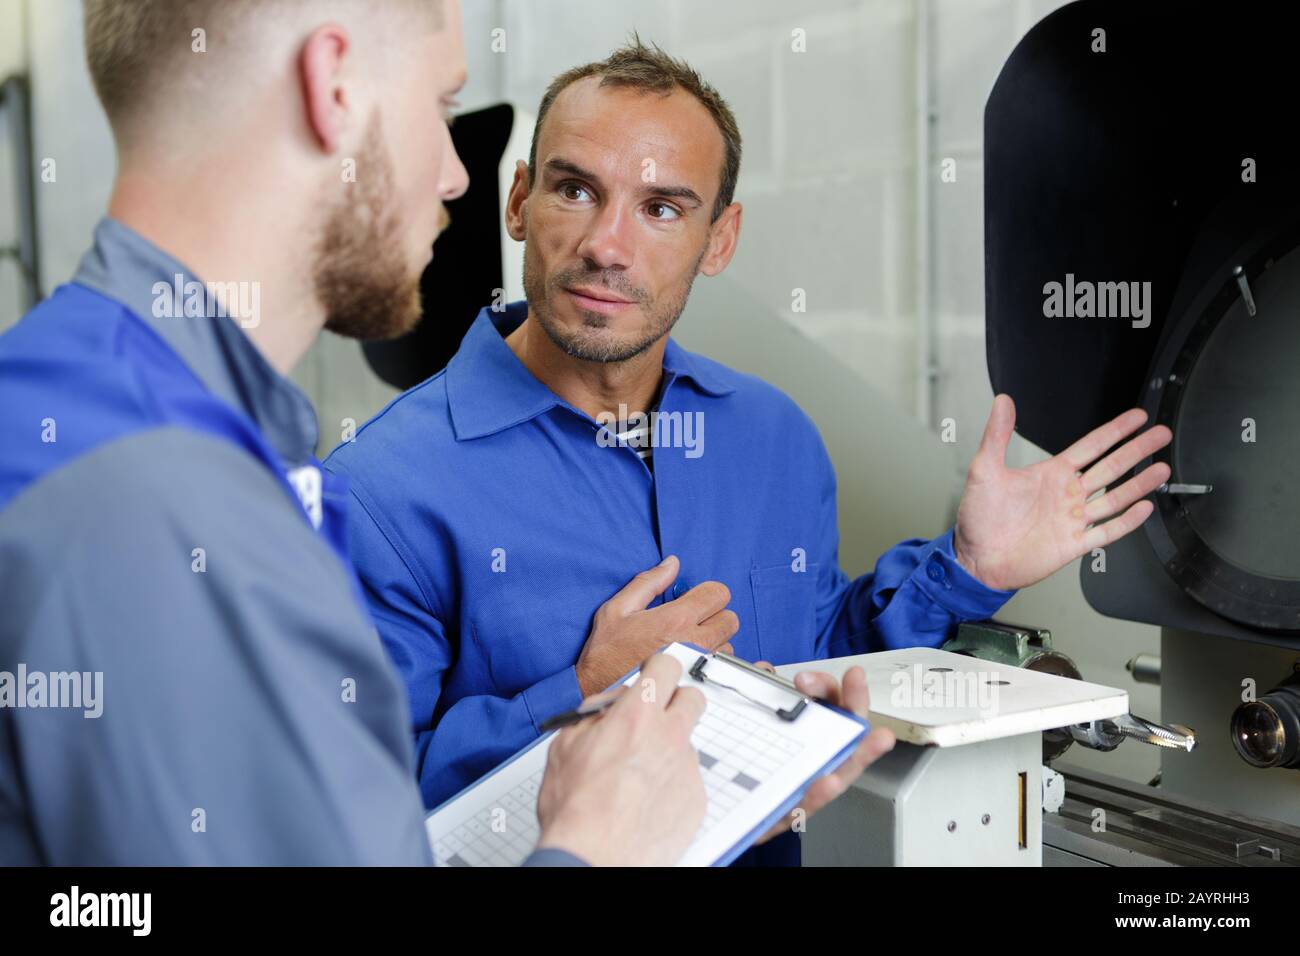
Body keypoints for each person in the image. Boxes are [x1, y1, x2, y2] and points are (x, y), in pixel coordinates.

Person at [0, 0, 892, 867]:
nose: (454, 176)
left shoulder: (187, 450)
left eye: (662, 207)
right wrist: (593, 840)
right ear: (333, 86)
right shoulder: (158, 496)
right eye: (442, 106)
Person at [323, 38, 1174, 864]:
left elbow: (818, 657)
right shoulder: (378, 491)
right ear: (518, 202)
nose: (607, 245)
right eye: (575, 190)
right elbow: (349, 807)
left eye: (662, 208)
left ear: (719, 239)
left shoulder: (774, 437)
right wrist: (579, 692)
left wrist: (967, 566)